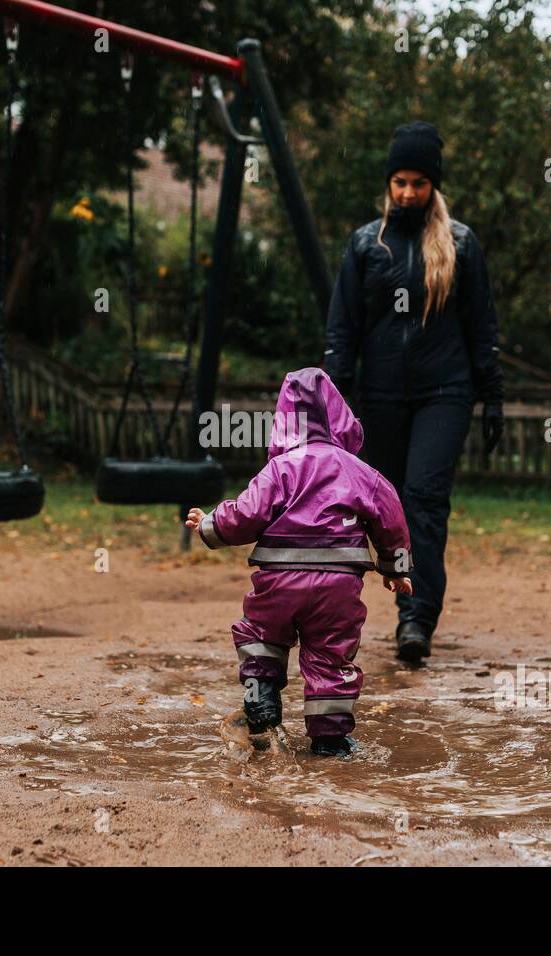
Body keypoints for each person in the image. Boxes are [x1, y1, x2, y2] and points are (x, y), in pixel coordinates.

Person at [324, 120, 505, 664]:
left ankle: (416, 620)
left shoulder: (462, 244)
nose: (408, 192)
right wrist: (334, 395)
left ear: (433, 187)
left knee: (424, 502)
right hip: (378, 396)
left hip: (443, 394)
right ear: (389, 183)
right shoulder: (363, 244)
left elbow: (482, 326)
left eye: (419, 183)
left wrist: (491, 394)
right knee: (378, 508)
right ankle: (344, 614)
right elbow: (342, 329)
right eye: (400, 181)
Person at [185, 368, 412, 758]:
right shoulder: (360, 473)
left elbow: (246, 514)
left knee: (261, 634)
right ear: (341, 419)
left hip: (279, 580)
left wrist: (210, 525)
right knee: (331, 654)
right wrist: (395, 568)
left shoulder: (280, 469)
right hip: (338, 588)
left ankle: (262, 699)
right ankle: (329, 739)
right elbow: (391, 518)